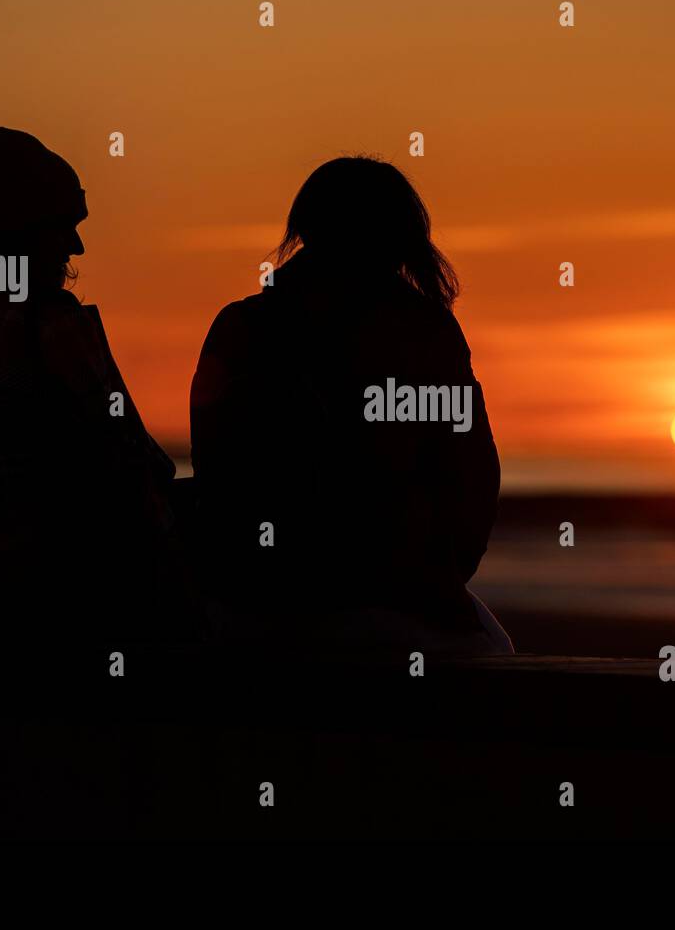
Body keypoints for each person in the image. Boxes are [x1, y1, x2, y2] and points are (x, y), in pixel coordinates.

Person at [188, 156, 512, 654]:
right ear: (402, 239)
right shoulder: (422, 332)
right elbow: (470, 476)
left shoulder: (241, 325)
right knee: (495, 656)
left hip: (243, 600)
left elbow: (215, 465)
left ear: (306, 231)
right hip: (382, 603)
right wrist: (436, 580)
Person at [0, 126, 194, 639]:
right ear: (17, 231)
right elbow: (137, 471)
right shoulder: (47, 323)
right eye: (63, 227)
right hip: (75, 610)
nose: (77, 246)